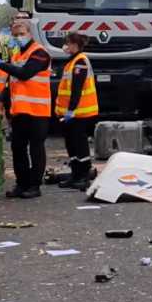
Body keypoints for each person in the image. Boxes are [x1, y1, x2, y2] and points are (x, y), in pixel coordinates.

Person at [0, 19, 51, 199]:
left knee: (36, 149)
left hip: (37, 110)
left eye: (22, 34)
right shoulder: (17, 55)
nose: (19, 38)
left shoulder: (40, 53)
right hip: (20, 111)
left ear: (29, 33)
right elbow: (12, 84)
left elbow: (25, 74)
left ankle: (35, 185)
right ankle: (22, 183)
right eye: (15, 35)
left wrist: (1, 64)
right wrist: (4, 103)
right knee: (18, 148)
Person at [53, 32, 98, 189]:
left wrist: (71, 110)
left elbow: (76, 89)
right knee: (71, 144)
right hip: (70, 112)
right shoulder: (72, 61)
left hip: (80, 112)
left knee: (79, 144)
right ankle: (75, 174)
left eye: (68, 43)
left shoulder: (80, 62)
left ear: (75, 45)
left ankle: (83, 175)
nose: (66, 46)